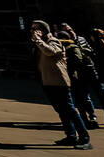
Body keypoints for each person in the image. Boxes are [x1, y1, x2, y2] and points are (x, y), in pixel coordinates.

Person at [29, 21, 91, 149]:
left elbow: (51, 52)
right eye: (32, 29)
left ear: (43, 30)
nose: (32, 31)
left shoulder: (54, 41)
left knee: (70, 111)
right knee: (62, 111)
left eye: (35, 29)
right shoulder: (39, 43)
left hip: (59, 82)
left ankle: (85, 138)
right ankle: (71, 136)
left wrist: (38, 40)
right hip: (48, 82)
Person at [55, 23, 104, 128]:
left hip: (91, 70)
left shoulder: (81, 39)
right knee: (85, 97)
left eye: (70, 29)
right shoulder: (63, 43)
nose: (71, 32)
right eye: (68, 31)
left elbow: (91, 52)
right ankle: (91, 116)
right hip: (79, 74)